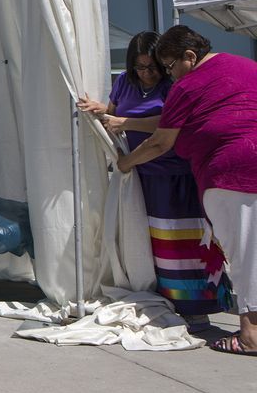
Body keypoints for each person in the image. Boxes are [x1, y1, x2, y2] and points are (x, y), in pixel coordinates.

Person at [117, 26, 257, 356]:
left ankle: (250, 335)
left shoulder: (188, 85)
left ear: (189, 57)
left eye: (168, 66)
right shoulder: (247, 66)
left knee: (245, 254)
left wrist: (125, 164)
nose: (168, 75)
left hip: (230, 175)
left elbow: (162, 141)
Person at [78, 32, 233, 329]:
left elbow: (168, 124)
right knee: (154, 244)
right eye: (140, 67)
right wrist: (102, 110)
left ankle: (198, 306)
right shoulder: (125, 81)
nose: (147, 74)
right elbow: (114, 113)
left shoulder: (174, 84)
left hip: (175, 173)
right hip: (141, 175)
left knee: (183, 243)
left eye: (152, 67)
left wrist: (127, 123)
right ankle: (165, 298)